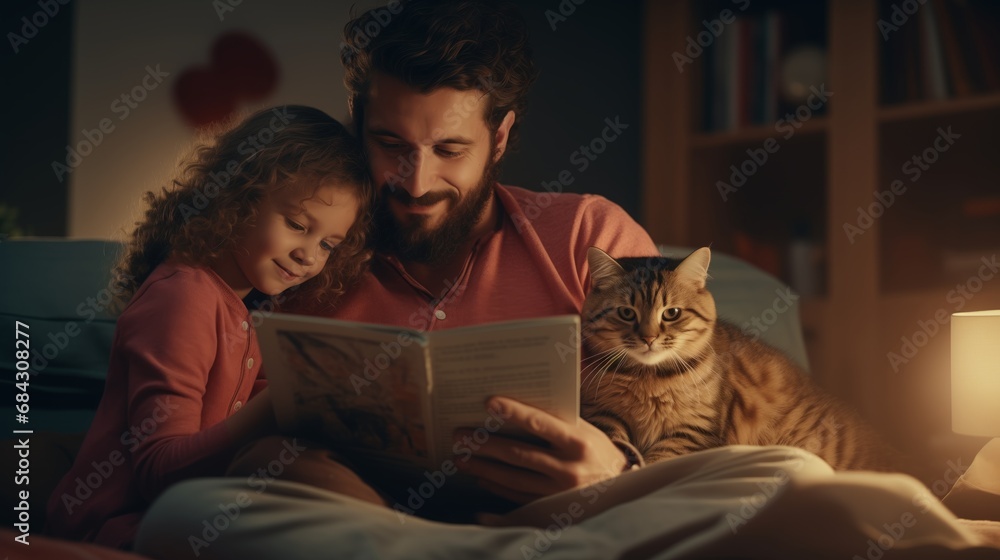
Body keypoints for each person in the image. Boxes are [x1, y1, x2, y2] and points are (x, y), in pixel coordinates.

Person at [216, 0, 659, 521]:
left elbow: (688, 415)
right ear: (358, 124)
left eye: (449, 150)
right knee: (253, 472)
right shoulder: (292, 256)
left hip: (555, 528)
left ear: (499, 139)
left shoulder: (591, 235)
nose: (417, 182)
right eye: (389, 143)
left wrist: (618, 470)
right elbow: (213, 440)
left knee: (772, 478)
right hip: (353, 525)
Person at [43, 105, 373, 549]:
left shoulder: (250, 309)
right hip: (110, 529)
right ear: (235, 198)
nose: (309, 256)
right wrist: (275, 406)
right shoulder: (183, 298)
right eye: (297, 225)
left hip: (181, 518)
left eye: (329, 244)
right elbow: (158, 472)